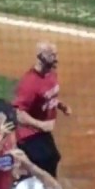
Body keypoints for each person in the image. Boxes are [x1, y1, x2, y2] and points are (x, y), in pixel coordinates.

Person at [13, 43, 70, 179]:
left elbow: (48, 97)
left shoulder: (51, 74)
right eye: (52, 55)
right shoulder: (29, 83)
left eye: (56, 54)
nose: (56, 59)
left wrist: (62, 106)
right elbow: (19, 114)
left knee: (53, 158)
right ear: (40, 56)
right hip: (28, 134)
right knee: (43, 162)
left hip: (41, 132)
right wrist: (40, 125)